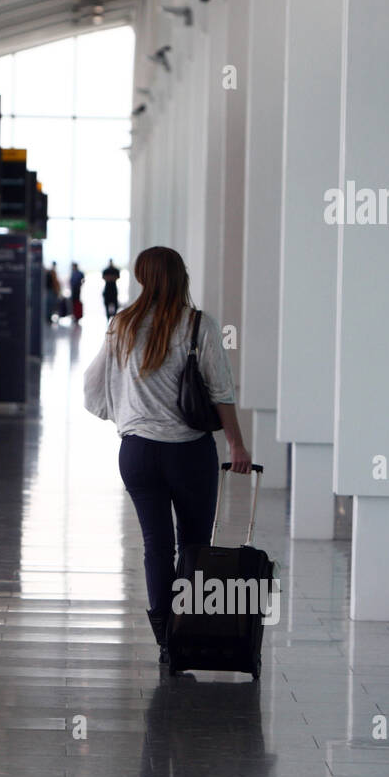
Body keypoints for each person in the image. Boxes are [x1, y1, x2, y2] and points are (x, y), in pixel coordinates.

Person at [82, 246, 250, 665]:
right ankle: (187, 629)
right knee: (192, 546)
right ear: (181, 277)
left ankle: (164, 638)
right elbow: (221, 391)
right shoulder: (199, 326)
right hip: (189, 454)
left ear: (142, 277)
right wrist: (236, 444)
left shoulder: (121, 324)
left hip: (137, 453)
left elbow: (92, 383)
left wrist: (123, 415)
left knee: (155, 546)